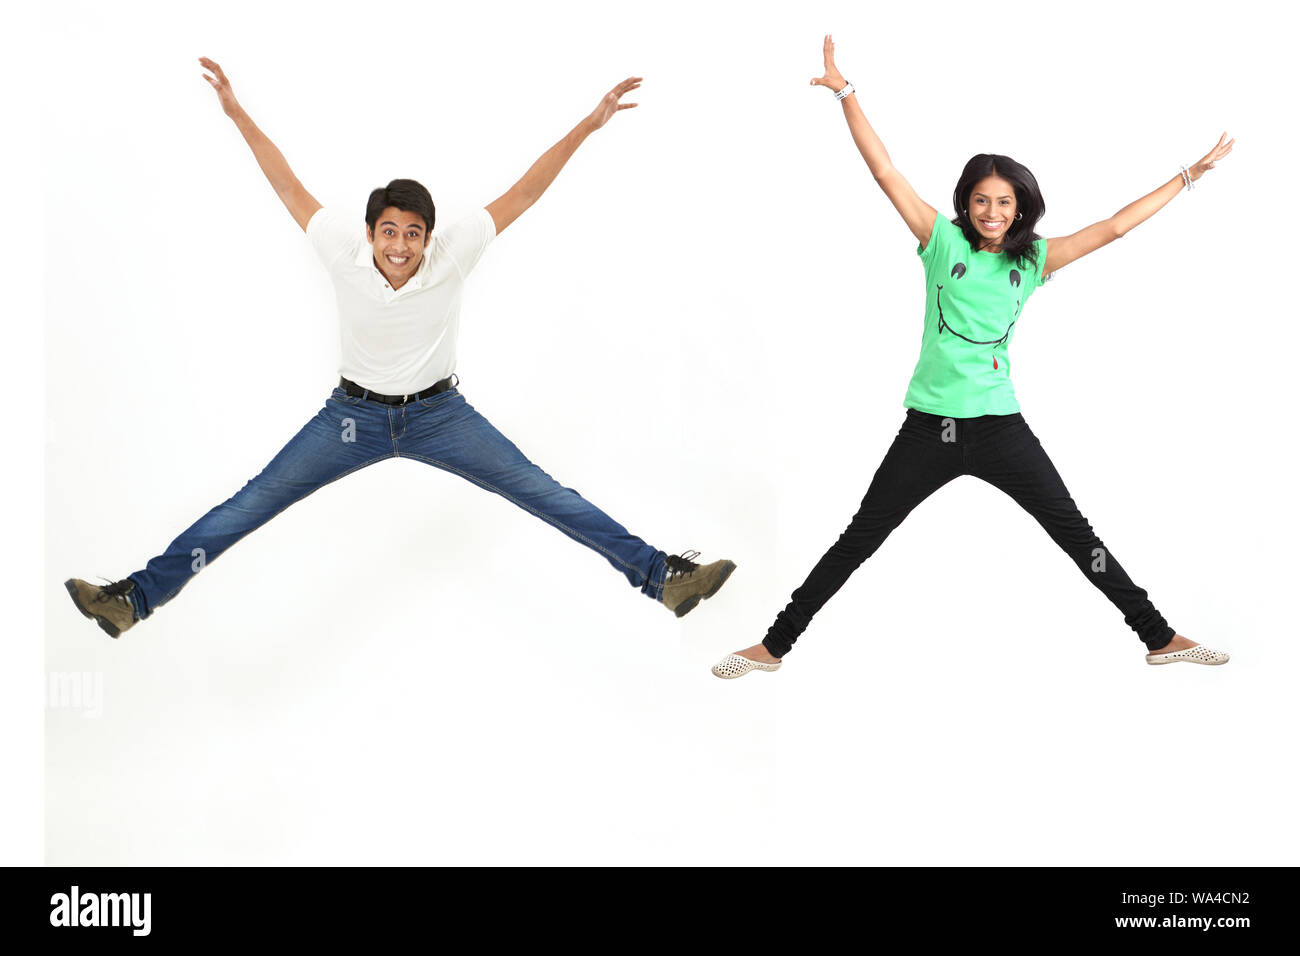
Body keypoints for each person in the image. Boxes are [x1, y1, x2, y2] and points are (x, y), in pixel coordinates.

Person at [66, 57, 734, 640]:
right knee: (251, 503)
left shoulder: (455, 250)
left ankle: (661, 578)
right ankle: (135, 599)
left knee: (545, 492)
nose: (400, 246)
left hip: (442, 417)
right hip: (350, 421)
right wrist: (237, 113)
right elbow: (285, 182)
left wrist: (588, 126)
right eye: (389, 232)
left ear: (428, 237)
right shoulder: (340, 247)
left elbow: (526, 191)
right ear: (370, 232)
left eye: (413, 234)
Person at [712, 36, 1233, 679]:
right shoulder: (938, 240)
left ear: (1021, 207)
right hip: (929, 429)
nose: (992, 211)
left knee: (1080, 539)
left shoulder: (1035, 260)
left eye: (1005, 202)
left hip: (1000, 428)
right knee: (858, 541)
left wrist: (1186, 177)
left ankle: (1160, 636)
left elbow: (1115, 226)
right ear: (967, 204)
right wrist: (847, 94)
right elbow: (885, 172)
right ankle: (772, 647)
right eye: (982, 200)